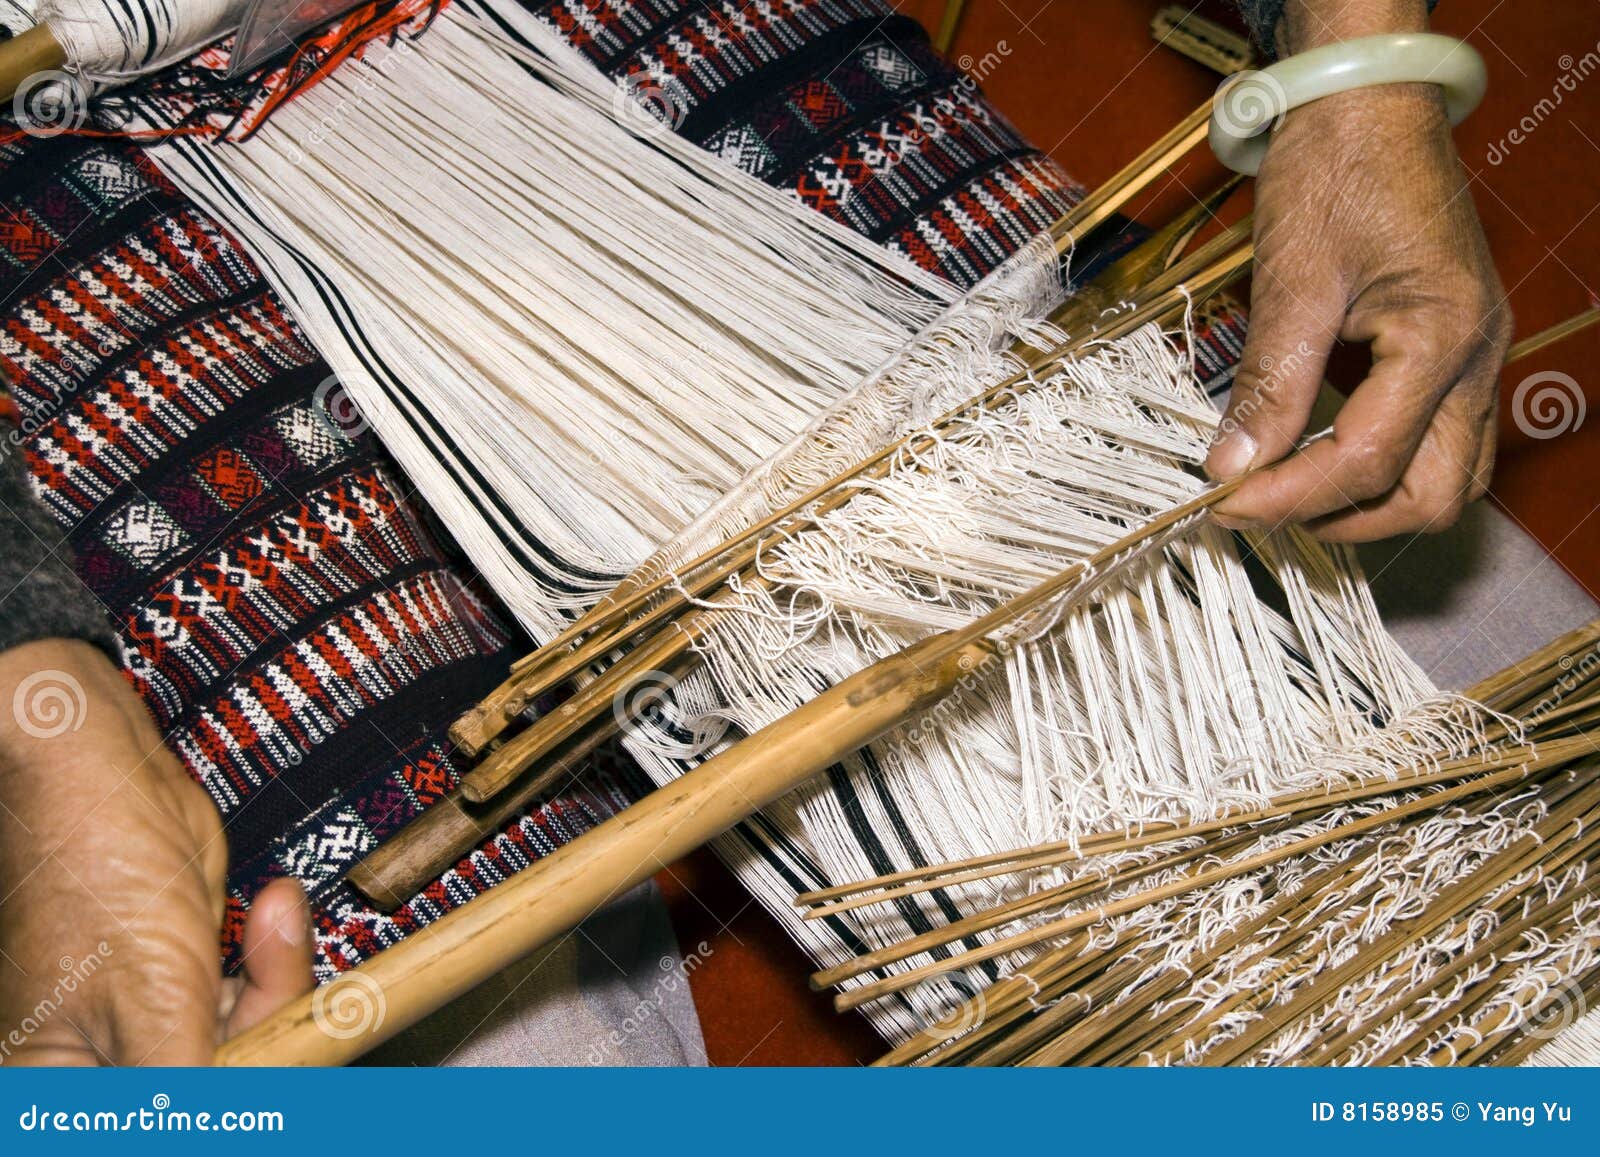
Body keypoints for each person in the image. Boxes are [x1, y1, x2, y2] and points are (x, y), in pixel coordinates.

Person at [0, 0, 1517, 1064]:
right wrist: (42, 729)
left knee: (1394, 595)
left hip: (601, 36)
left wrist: (1356, 70)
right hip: (43, 146)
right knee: (355, 1031)